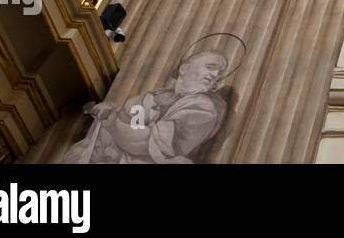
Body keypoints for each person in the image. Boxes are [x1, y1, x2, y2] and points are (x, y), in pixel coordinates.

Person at [61, 51, 230, 163]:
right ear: (184, 68)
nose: (215, 75)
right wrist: (102, 133)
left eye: (219, 73)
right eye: (211, 67)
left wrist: (112, 124)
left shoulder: (203, 108)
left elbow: (143, 142)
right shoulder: (151, 97)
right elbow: (121, 131)